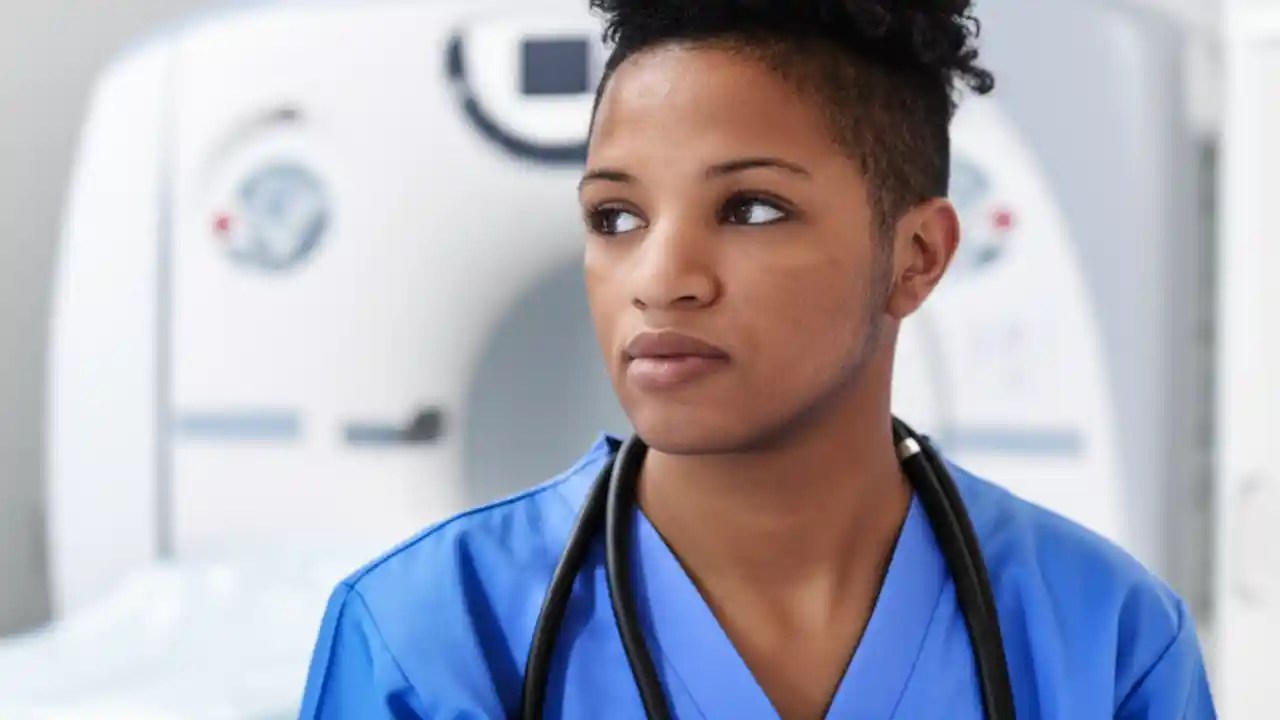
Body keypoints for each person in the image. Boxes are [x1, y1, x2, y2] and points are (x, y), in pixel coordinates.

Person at [299, 0, 1216, 717]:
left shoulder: (1108, 640)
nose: (660, 281)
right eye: (616, 218)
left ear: (917, 258)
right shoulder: (429, 635)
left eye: (751, 210)